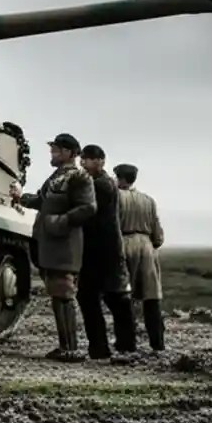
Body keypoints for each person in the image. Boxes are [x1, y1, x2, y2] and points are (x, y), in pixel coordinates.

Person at [10, 133, 97, 362]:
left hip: (64, 244)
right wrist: (21, 198)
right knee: (58, 294)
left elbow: (87, 208)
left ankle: (70, 348)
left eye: (56, 150)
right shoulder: (58, 177)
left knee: (64, 294)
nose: (52, 154)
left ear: (69, 153)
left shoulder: (79, 178)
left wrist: (59, 222)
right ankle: (66, 346)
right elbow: (42, 200)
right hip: (50, 243)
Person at [77, 144, 139, 362]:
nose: (83, 162)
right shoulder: (100, 183)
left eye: (89, 159)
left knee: (108, 299)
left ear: (101, 161)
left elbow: (85, 208)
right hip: (99, 250)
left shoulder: (101, 185)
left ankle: (114, 346)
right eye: (82, 158)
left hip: (104, 250)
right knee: (105, 298)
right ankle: (116, 345)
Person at [114, 163, 166, 352]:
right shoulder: (148, 200)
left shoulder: (116, 198)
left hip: (124, 244)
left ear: (118, 177)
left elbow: (113, 225)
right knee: (151, 298)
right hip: (147, 247)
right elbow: (158, 235)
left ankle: (127, 344)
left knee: (123, 297)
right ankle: (157, 342)